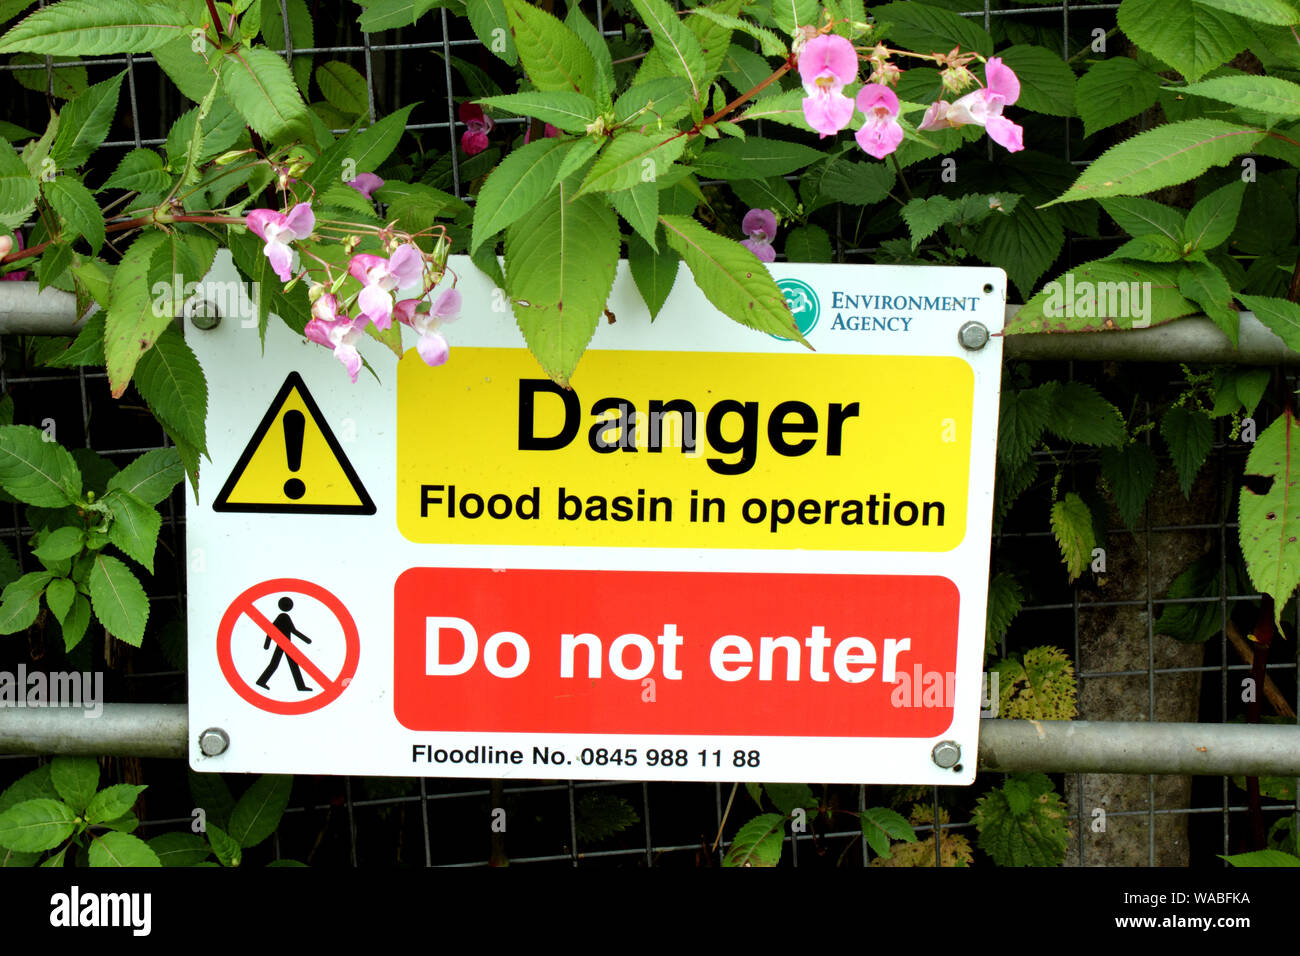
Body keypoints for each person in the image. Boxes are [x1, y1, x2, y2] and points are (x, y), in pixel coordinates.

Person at [256, 597, 313, 692]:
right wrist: (267, 644)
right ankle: (262, 681)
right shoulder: (283, 617)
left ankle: (262, 681)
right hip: (283, 644)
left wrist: (306, 640)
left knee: (285, 664)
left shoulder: (284, 617)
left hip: (285, 644)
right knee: (279, 664)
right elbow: (271, 630)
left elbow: (291, 630)